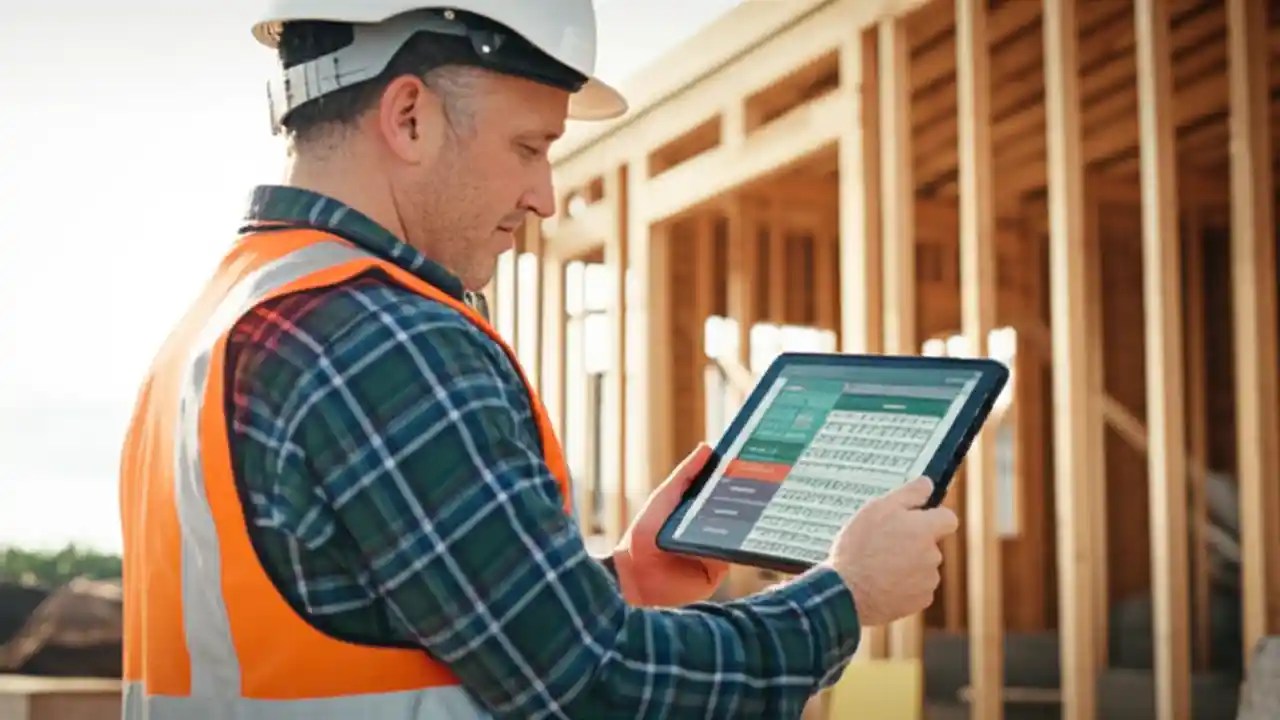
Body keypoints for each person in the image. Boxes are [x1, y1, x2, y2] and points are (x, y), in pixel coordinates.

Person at [116, 2, 959, 718]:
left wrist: (624, 580)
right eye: (530, 146)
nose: (544, 195)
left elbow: (380, 624)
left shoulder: (233, 316)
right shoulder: (382, 335)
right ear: (409, 117)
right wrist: (845, 598)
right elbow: (594, 685)